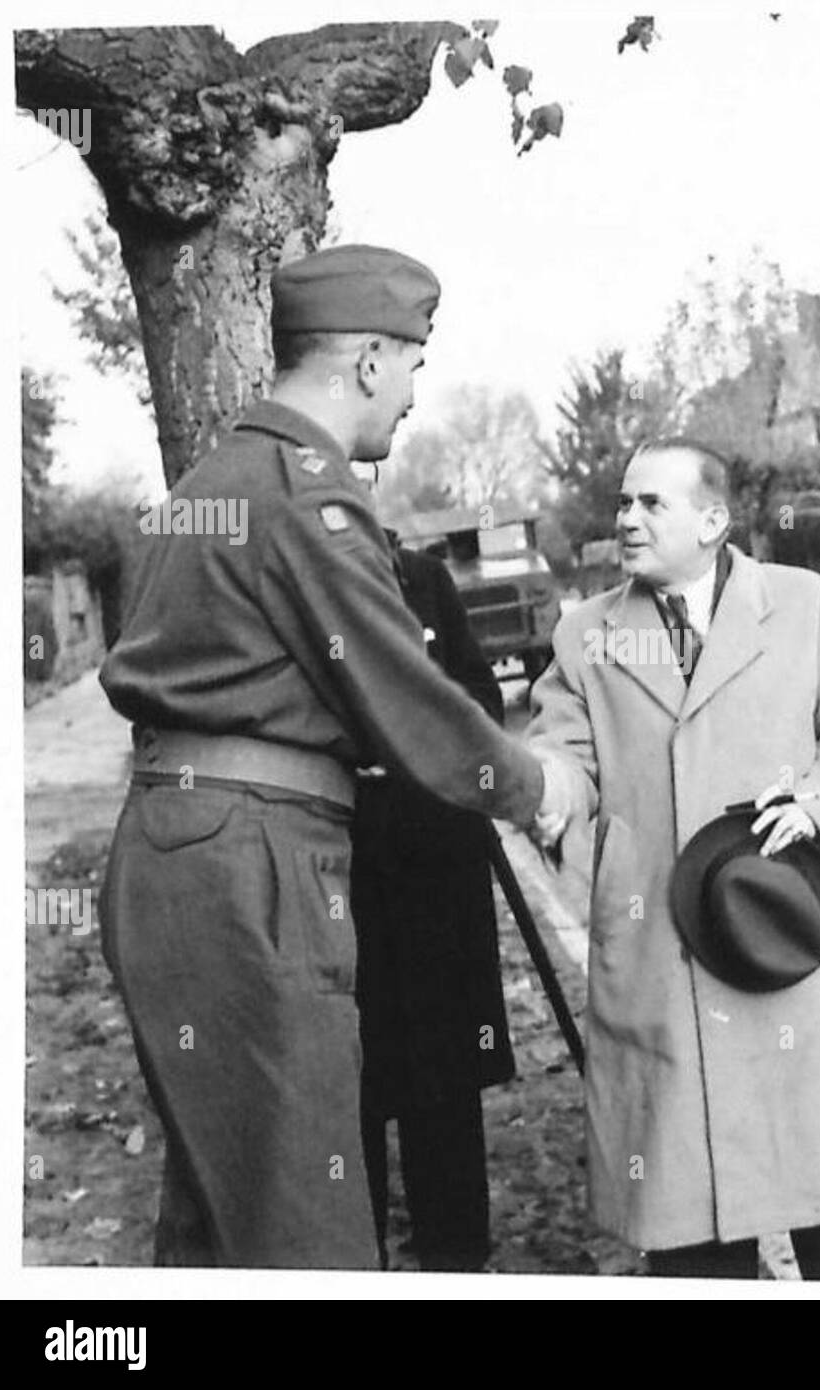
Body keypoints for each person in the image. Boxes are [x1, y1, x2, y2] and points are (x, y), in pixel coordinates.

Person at [99, 244, 568, 1269]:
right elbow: (407, 701)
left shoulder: (221, 475)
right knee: (308, 1234)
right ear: (365, 361)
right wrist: (539, 787)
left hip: (192, 855)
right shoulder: (306, 490)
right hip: (248, 867)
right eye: (411, 366)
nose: (408, 397)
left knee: (223, 1223)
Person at [527, 438, 820, 1280]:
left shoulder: (808, 605)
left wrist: (816, 808)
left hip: (792, 958)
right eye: (622, 503)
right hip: (664, 972)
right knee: (696, 1260)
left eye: (650, 504)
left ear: (712, 519)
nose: (626, 519)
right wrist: (546, 790)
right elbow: (563, 757)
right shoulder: (583, 636)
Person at [352, 529, 513, 1272]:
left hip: (438, 872)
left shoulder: (424, 580)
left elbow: (482, 697)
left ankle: (456, 1263)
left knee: (445, 1090)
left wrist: (426, 726)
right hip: (340, 872)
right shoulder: (297, 585)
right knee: (350, 1088)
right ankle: (358, 1263)